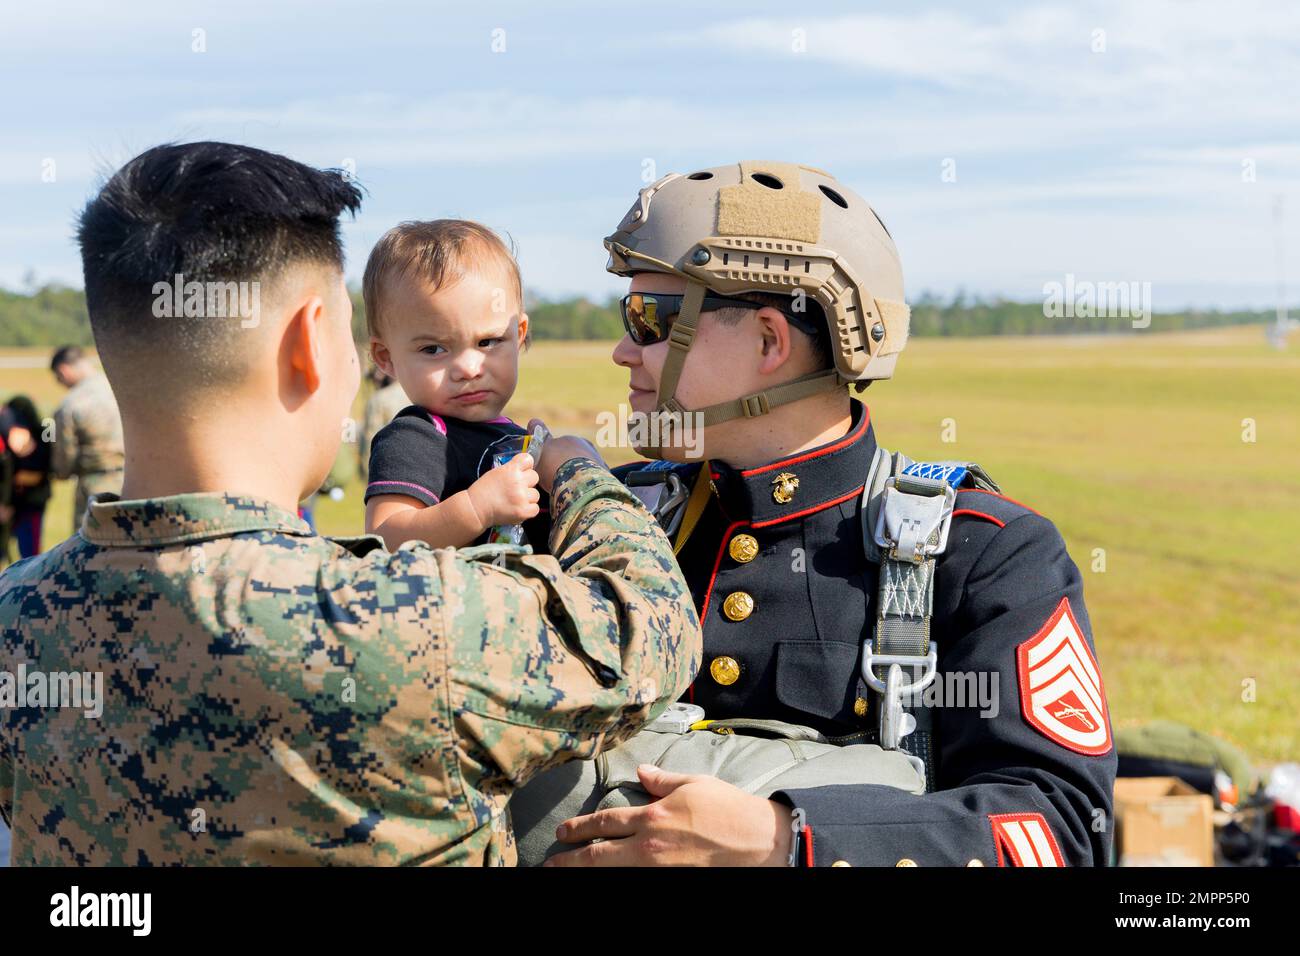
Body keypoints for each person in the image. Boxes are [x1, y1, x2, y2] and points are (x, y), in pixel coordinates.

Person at [0, 141, 701, 866]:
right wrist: (581, 471)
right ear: (309, 340)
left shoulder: (17, 619)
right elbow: (649, 630)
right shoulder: (421, 623)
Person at [539, 161, 1116, 867]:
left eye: (650, 319)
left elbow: (1059, 829)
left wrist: (786, 840)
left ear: (769, 341)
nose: (622, 350)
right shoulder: (607, 519)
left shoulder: (984, 552)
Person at [362, 220, 559, 553]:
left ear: (519, 335)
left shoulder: (510, 434)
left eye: (488, 341)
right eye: (434, 349)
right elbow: (387, 539)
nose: (468, 369)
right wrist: (476, 508)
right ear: (386, 357)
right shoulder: (418, 436)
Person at [49, 344, 124, 527]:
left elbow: (64, 458)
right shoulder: (121, 388)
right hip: (135, 481)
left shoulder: (70, 405)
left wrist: (59, 472)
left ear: (64, 371)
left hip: (95, 487)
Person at [0, 396, 52, 560]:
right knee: (31, 556)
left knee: (28, 553)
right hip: (30, 501)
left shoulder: (45, 429)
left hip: (23, 501)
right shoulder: (46, 427)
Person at [358, 367, 406, 480]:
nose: (377, 377)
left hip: (385, 469)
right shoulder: (419, 395)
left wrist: (367, 473)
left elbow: (370, 437)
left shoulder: (378, 399)